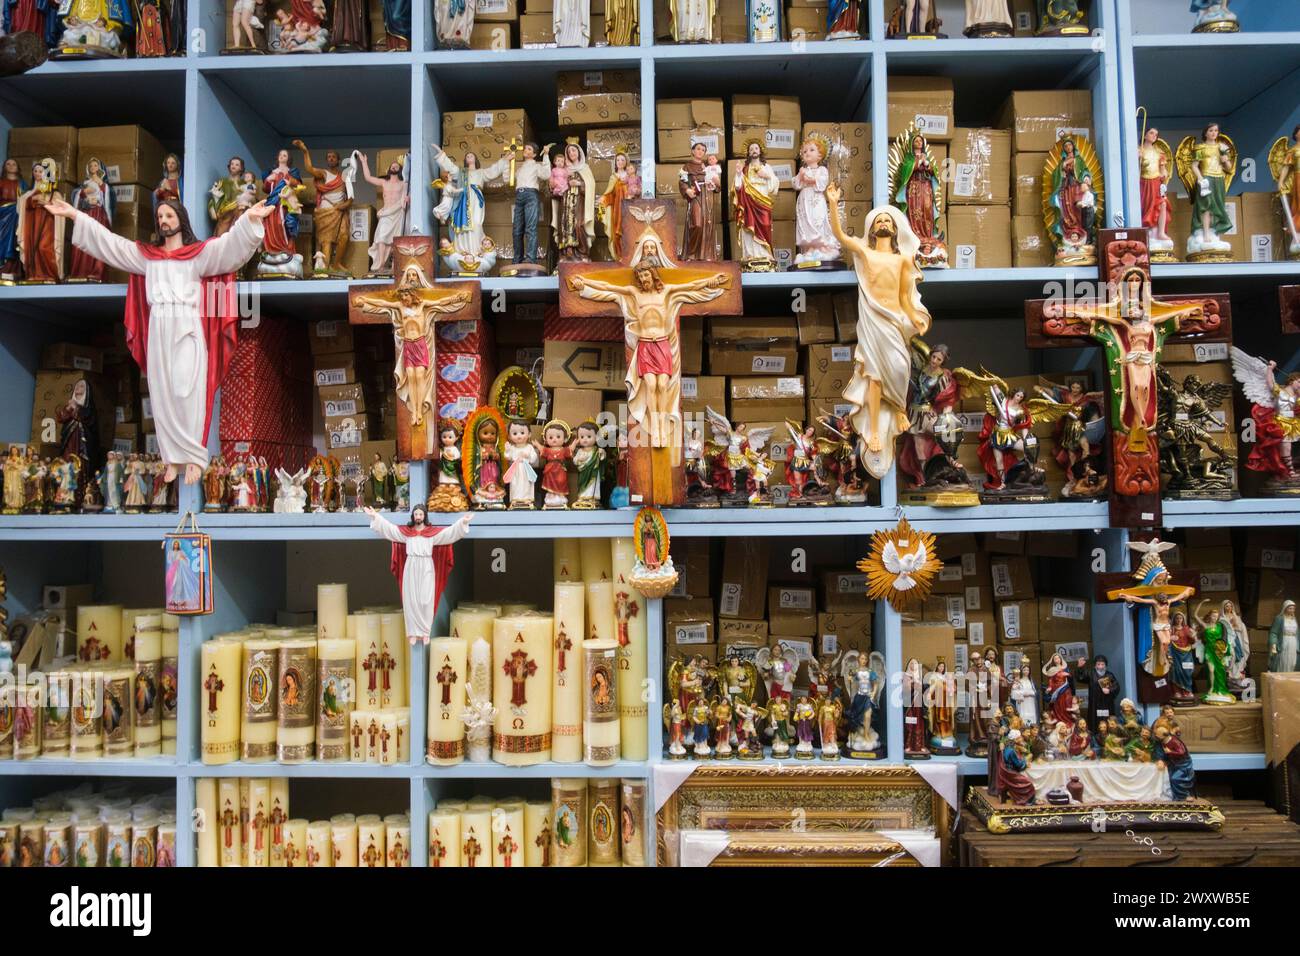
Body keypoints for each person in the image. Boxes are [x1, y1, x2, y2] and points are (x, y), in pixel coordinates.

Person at [46, 193, 274, 484]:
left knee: (187, 389)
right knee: (162, 391)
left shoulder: (197, 255)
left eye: (169, 215)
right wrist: (75, 215)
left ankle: (193, 455)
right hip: (158, 327)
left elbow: (228, 248)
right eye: (160, 217)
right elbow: (110, 244)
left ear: (181, 219)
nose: (164, 221)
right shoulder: (146, 257)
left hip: (186, 325)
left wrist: (249, 220)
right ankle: (171, 458)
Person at [829, 192, 930, 480]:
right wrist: (834, 203)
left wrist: (913, 316)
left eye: (888, 219)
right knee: (873, 375)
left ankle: (898, 406)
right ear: (872, 230)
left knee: (900, 368)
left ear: (894, 228)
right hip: (873, 318)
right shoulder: (866, 253)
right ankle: (874, 428)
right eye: (878, 220)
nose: (883, 223)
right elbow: (840, 235)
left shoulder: (902, 260)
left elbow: (904, 295)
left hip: (894, 320)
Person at [365, 506, 472, 645]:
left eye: (420, 514)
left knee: (426, 599)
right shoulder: (407, 533)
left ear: (424, 516)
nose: (418, 517)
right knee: (411, 599)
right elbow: (390, 530)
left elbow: (448, 534)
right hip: (411, 566)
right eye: (416, 514)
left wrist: (462, 522)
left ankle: (425, 631)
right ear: (413, 516)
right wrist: (375, 517)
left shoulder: (431, 534)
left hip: (427, 565)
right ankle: (412, 633)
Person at [678, 141, 719, 261]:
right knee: (697, 224)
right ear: (693, 151)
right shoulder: (687, 167)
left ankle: (705, 255)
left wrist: (716, 183)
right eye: (698, 149)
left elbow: (717, 186)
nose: (700, 151)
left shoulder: (708, 167)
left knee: (708, 224)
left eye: (703, 150)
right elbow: (682, 182)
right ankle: (691, 253)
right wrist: (686, 190)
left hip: (708, 197)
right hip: (696, 196)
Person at [1269, 600, 1299, 673]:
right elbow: (1273, 633)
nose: (1292, 610)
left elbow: (1297, 633)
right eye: (1290, 608)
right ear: (1285, 608)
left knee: (1292, 662)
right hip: (1283, 642)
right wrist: (1273, 645)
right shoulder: (1279, 618)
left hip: (1293, 643)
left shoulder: (1294, 619)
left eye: (1293, 608)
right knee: (1283, 661)